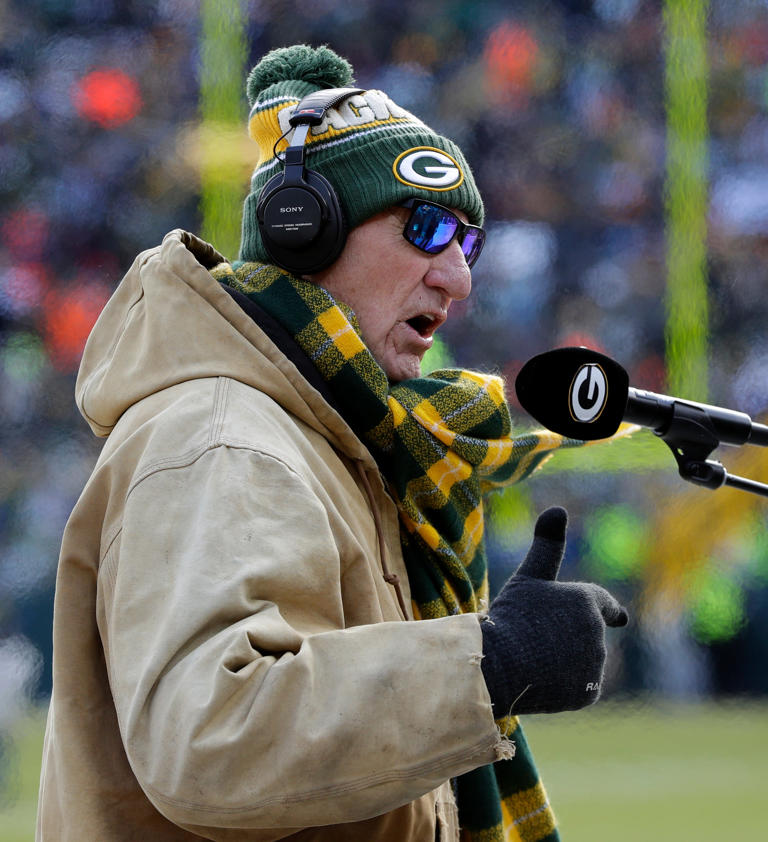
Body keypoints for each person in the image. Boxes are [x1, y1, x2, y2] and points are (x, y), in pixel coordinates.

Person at [37, 45, 627, 842]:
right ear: (301, 229)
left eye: (469, 244)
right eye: (426, 227)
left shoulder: (332, 442)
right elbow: (215, 740)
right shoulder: (223, 437)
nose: (458, 278)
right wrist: (488, 664)